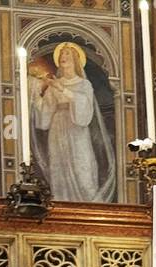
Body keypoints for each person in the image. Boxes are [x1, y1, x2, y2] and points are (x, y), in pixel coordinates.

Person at [31, 42, 115, 203]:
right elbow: (45, 115)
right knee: (59, 169)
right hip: (57, 130)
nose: (63, 57)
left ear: (75, 59)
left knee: (82, 168)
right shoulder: (54, 84)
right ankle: (62, 206)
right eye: (62, 54)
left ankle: (89, 206)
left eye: (67, 54)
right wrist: (35, 95)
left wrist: (62, 89)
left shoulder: (84, 84)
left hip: (77, 130)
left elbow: (85, 109)